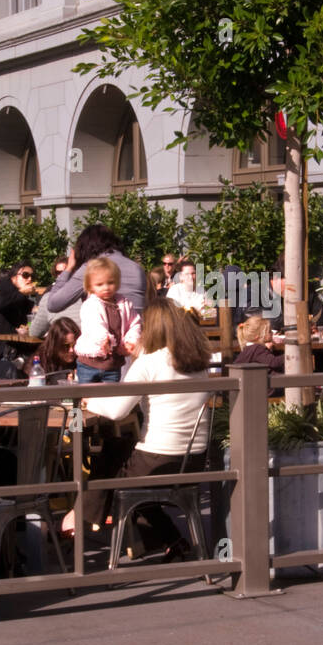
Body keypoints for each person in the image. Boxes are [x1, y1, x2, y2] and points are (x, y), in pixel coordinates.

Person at [73, 297, 214, 561]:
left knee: (109, 460)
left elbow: (116, 411)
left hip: (158, 459)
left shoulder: (150, 362)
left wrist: (88, 399)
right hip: (193, 460)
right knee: (119, 453)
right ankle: (170, 541)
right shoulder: (198, 363)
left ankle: (79, 518)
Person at [45, 224, 147, 318]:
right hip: (136, 332)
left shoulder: (90, 268)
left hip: (104, 333)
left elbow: (53, 304)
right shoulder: (137, 268)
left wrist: (69, 268)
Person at [75, 256, 142, 384]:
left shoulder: (124, 303)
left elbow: (134, 324)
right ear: (90, 286)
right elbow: (95, 325)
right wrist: (104, 339)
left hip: (113, 363)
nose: (106, 287)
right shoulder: (91, 305)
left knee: (110, 397)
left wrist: (130, 341)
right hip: (90, 362)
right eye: (99, 284)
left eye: (110, 283)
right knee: (87, 397)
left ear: (117, 283)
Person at [0, 262, 37, 376]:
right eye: (25, 275)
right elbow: (0, 305)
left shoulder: (17, 294)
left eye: (32, 277)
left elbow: (31, 308)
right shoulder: (5, 288)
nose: (29, 279)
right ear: (14, 276)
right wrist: (21, 292)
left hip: (9, 344)